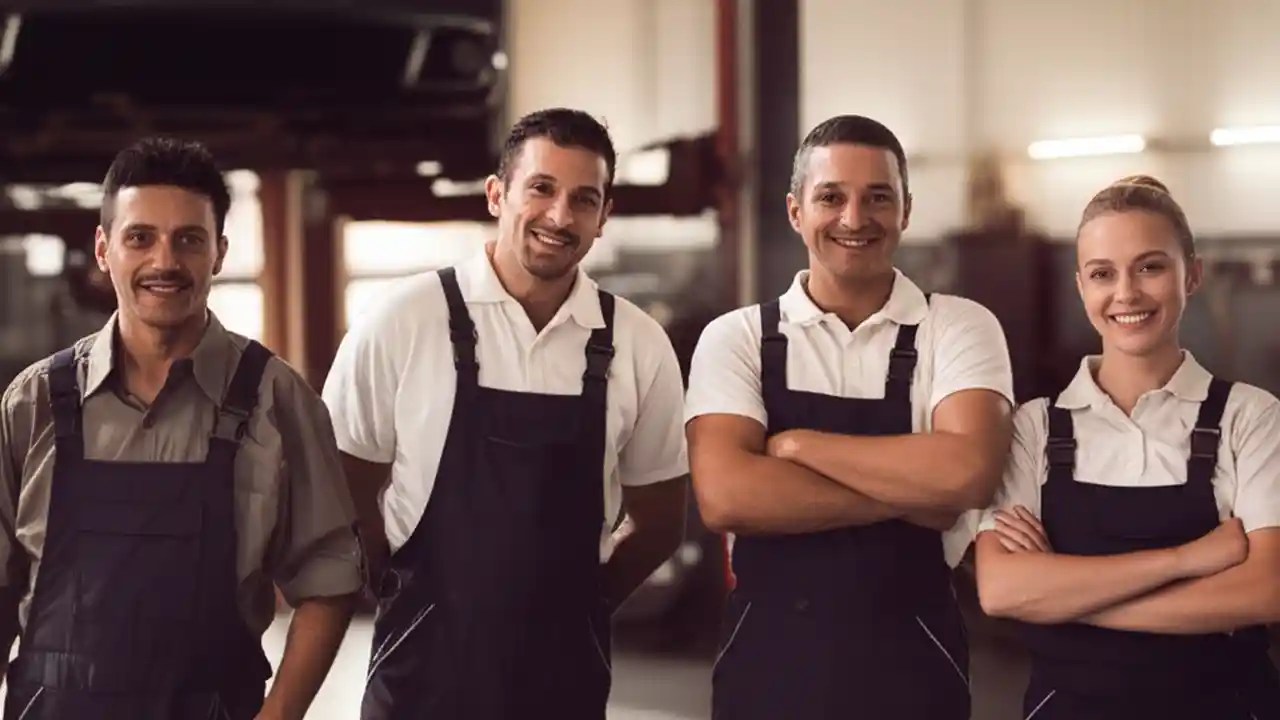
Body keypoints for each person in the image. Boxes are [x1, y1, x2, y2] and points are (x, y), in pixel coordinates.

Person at [323, 107, 689, 720]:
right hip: (418, 680)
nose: (559, 216)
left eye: (583, 199)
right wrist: (404, 586)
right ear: (497, 194)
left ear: (604, 215)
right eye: (541, 188)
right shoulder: (404, 320)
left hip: (563, 687)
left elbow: (659, 521)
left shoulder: (638, 344)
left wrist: (581, 606)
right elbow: (341, 487)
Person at [0, 138, 361, 719]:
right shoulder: (34, 401)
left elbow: (329, 579)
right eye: (140, 237)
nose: (164, 262)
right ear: (103, 249)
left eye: (188, 239)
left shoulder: (276, 400)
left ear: (218, 252)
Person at [684, 114, 1015, 719]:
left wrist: (799, 448)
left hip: (913, 668)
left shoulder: (958, 328)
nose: (854, 218)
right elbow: (727, 497)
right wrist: (920, 495)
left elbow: (968, 474)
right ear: (795, 211)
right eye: (831, 197)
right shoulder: (737, 338)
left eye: (878, 197)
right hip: (767, 671)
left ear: (906, 210)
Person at [975, 175, 1280, 719]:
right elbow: (1000, 589)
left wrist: (1069, 601)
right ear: (1080, 287)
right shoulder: (1034, 428)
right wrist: (1186, 560)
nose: (1126, 293)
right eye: (1102, 274)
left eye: (1150, 267)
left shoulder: (1250, 417)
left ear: (1193, 275)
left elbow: (1266, 589)